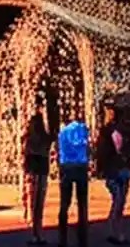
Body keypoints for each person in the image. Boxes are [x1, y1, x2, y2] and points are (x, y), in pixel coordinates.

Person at [55, 108, 90, 247]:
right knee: (82, 203)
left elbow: (60, 149)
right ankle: (82, 238)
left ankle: (62, 238)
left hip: (66, 167)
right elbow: (87, 146)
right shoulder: (83, 129)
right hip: (80, 166)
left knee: (64, 203)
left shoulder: (63, 131)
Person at [96, 108, 130, 245]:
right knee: (119, 201)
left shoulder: (112, 132)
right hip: (115, 168)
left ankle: (115, 231)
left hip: (117, 168)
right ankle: (115, 231)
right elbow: (115, 151)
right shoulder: (111, 133)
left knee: (119, 201)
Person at [22, 105, 54, 245]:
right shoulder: (43, 139)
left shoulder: (31, 139)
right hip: (40, 171)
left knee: (35, 204)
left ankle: (36, 233)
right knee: (38, 204)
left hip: (36, 172)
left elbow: (27, 157)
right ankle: (37, 232)